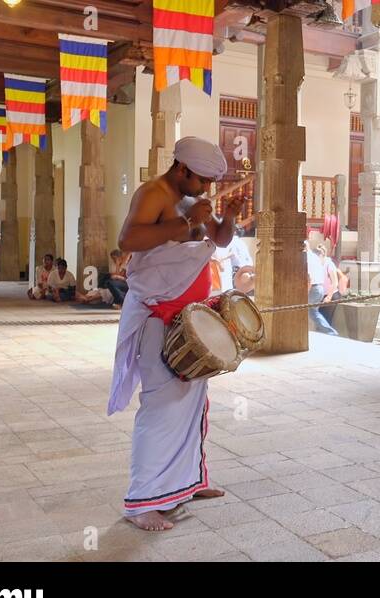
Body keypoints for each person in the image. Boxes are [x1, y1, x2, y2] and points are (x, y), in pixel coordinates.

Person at [109, 136, 244, 532]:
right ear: (182, 169)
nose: (206, 189)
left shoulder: (191, 199)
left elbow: (219, 239)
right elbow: (128, 240)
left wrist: (229, 216)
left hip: (187, 315)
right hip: (157, 315)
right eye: (202, 180)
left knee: (191, 403)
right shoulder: (154, 193)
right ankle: (141, 502)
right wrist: (185, 223)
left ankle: (185, 483)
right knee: (162, 406)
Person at [306, 239, 338, 336]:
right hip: (320, 290)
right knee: (313, 312)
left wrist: (329, 296)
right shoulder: (314, 258)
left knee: (307, 311)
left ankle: (330, 332)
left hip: (318, 290)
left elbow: (309, 278)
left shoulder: (309, 258)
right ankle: (330, 332)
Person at [318, 242, 347, 326]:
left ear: (322, 255)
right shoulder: (317, 265)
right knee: (321, 319)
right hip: (322, 295)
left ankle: (329, 335)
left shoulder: (329, 264)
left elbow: (334, 282)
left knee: (326, 320)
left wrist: (329, 297)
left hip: (332, 294)